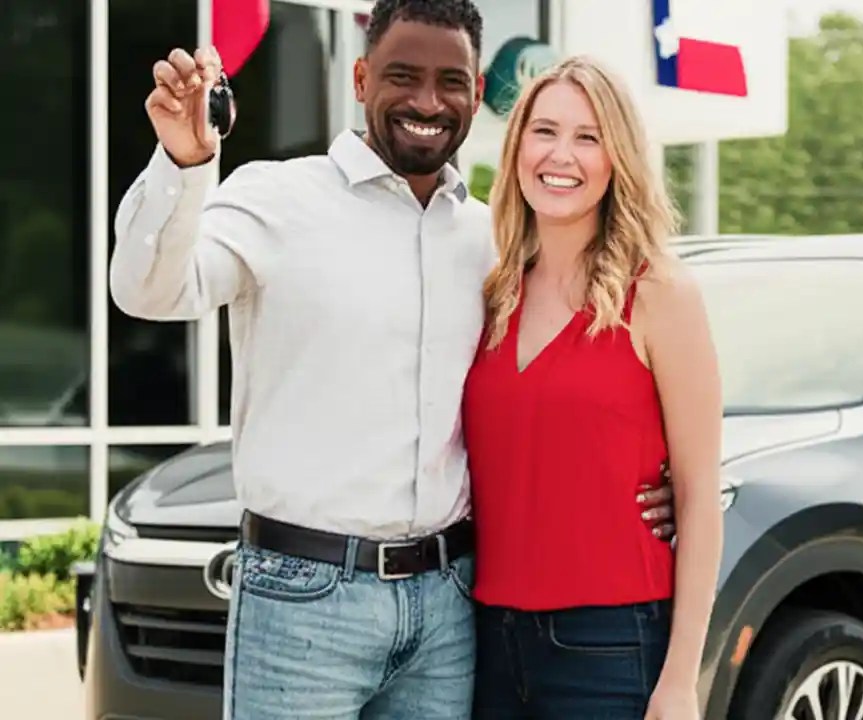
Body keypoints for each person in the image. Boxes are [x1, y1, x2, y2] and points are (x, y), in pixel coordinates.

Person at [107, 1, 674, 718]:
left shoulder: (491, 238)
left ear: (476, 93)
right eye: (403, 76)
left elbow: (567, 392)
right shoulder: (278, 198)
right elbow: (149, 291)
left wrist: (664, 486)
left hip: (448, 604)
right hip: (302, 598)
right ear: (361, 77)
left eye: (452, 82)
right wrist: (184, 164)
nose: (428, 102)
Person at [462, 56, 725, 719]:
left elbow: (698, 496)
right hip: (486, 641)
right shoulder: (492, 292)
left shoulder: (660, 293)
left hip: (609, 647)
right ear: (517, 144)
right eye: (544, 130)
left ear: (618, 159)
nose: (562, 155)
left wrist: (680, 681)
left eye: (588, 137)